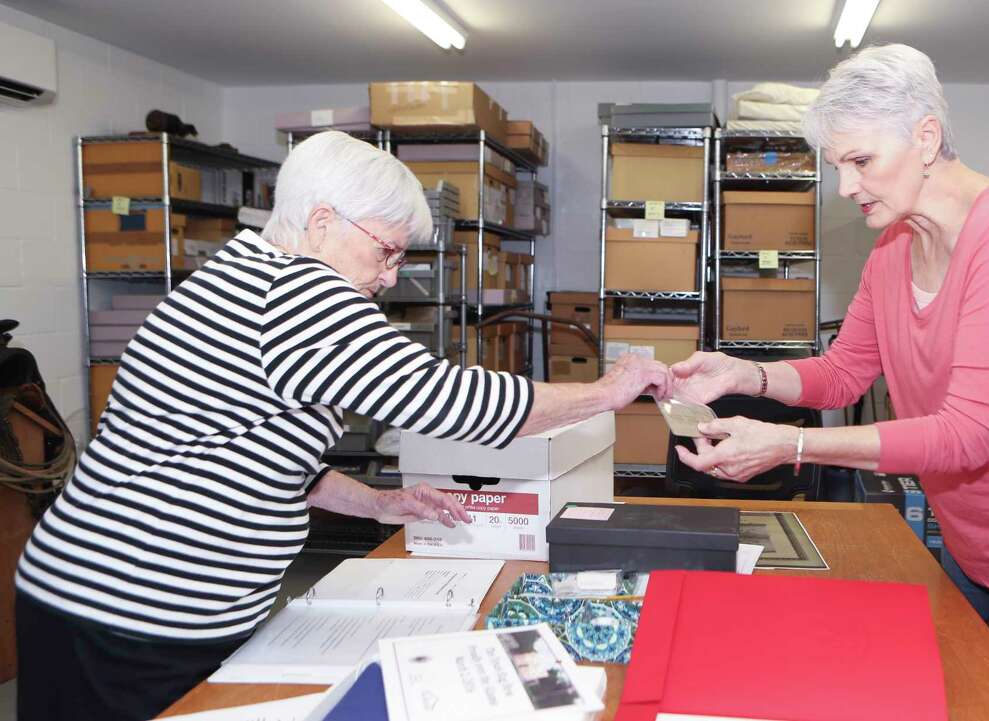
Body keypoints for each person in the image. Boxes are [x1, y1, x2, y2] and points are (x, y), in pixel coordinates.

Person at [14, 130, 671, 721]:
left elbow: (256, 451)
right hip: (125, 612)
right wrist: (607, 392)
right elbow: (459, 404)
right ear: (323, 222)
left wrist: (382, 500)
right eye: (386, 251)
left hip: (112, 605)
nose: (389, 276)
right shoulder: (296, 292)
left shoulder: (245, 273)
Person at [671, 44, 989, 721]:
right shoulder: (894, 246)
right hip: (977, 530)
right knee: (973, 696)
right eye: (837, 165)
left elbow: (968, 433)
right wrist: (746, 373)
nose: (844, 186)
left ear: (925, 137)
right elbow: (844, 373)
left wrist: (790, 448)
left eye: (860, 161)